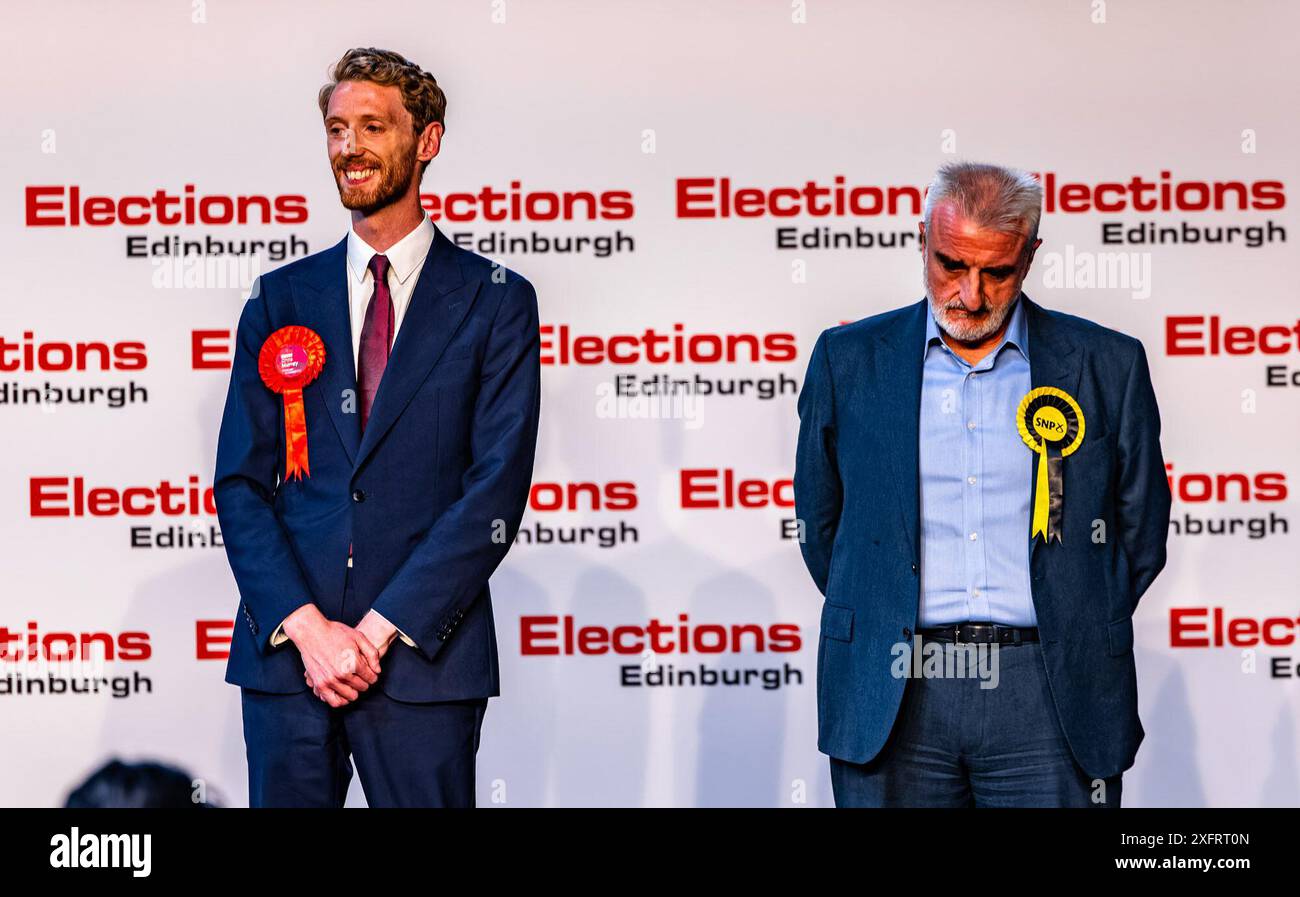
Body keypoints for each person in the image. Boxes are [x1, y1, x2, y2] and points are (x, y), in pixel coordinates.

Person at [214, 47, 541, 807]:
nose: (349, 148)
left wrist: (376, 631)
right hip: (289, 666)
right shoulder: (277, 298)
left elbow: (494, 489)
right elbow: (240, 482)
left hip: (425, 663)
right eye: (335, 129)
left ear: (426, 141)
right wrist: (310, 631)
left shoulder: (496, 301)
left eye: (372, 127)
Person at [794, 161, 1170, 807]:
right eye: (950, 265)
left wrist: (1069, 608)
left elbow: (1139, 531)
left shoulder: (1108, 364)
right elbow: (823, 524)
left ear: (1030, 257)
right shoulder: (848, 359)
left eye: (996, 271)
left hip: (1050, 694)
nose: (971, 294)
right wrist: (887, 599)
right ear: (921, 240)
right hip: (896, 683)